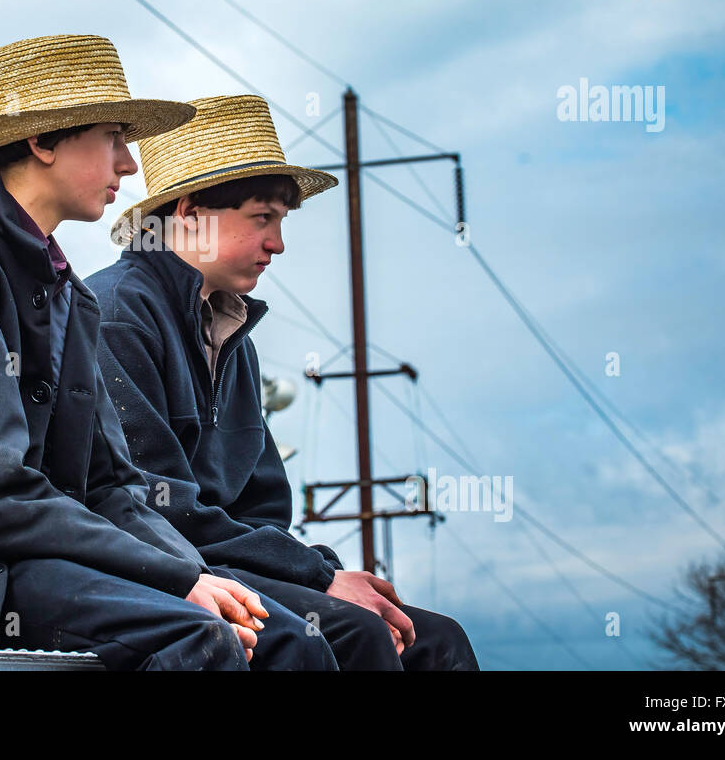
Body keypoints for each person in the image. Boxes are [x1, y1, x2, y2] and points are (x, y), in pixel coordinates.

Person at [0, 35, 338, 669]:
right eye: (114, 137)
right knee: (197, 636)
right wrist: (175, 582)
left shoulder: (68, 295)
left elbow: (109, 484)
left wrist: (191, 573)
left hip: (24, 560)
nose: (130, 165)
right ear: (43, 141)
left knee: (281, 635)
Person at [87, 94, 480, 670]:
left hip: (227, 562)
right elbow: (148, 503)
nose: (277, 243)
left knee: (437, 640)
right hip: (157, 564)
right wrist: (319, 579)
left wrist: (318, 573)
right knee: (351, 633)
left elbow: (262, 505)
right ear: (190, 211)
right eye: (261, 219)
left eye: (280, 222)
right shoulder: (118, 314)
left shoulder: (227, 329)